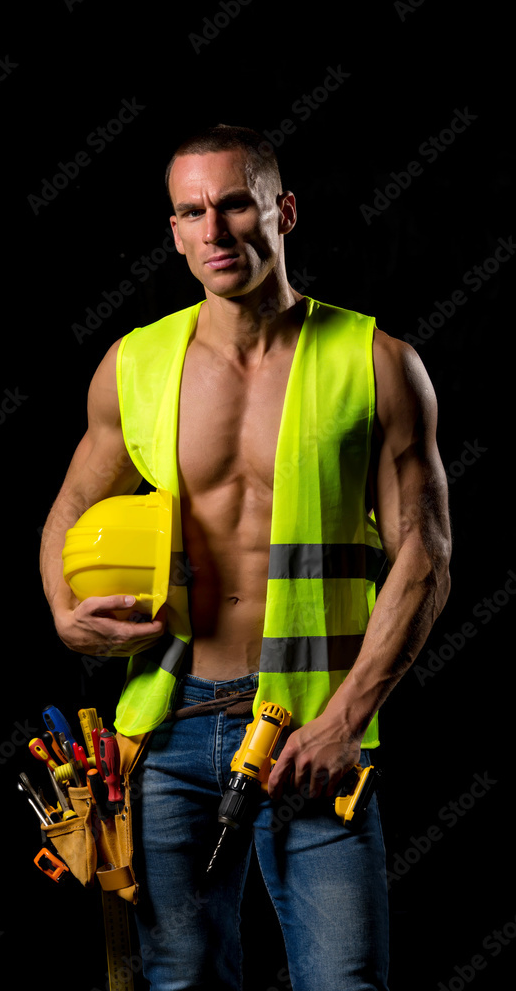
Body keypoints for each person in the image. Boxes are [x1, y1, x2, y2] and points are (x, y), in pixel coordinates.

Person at [39, 125, 452, 990]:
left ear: (282, 211)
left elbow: (424, 551)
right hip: (168, 729)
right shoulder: (135, 363)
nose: (215, 231)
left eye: (233, 203)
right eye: (193, 212)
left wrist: (345, 720)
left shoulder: (375, 362)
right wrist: (63, 613)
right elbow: (71, 508)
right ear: (176, 231)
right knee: (177, 984)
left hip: (312, 731)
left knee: (342, 982)